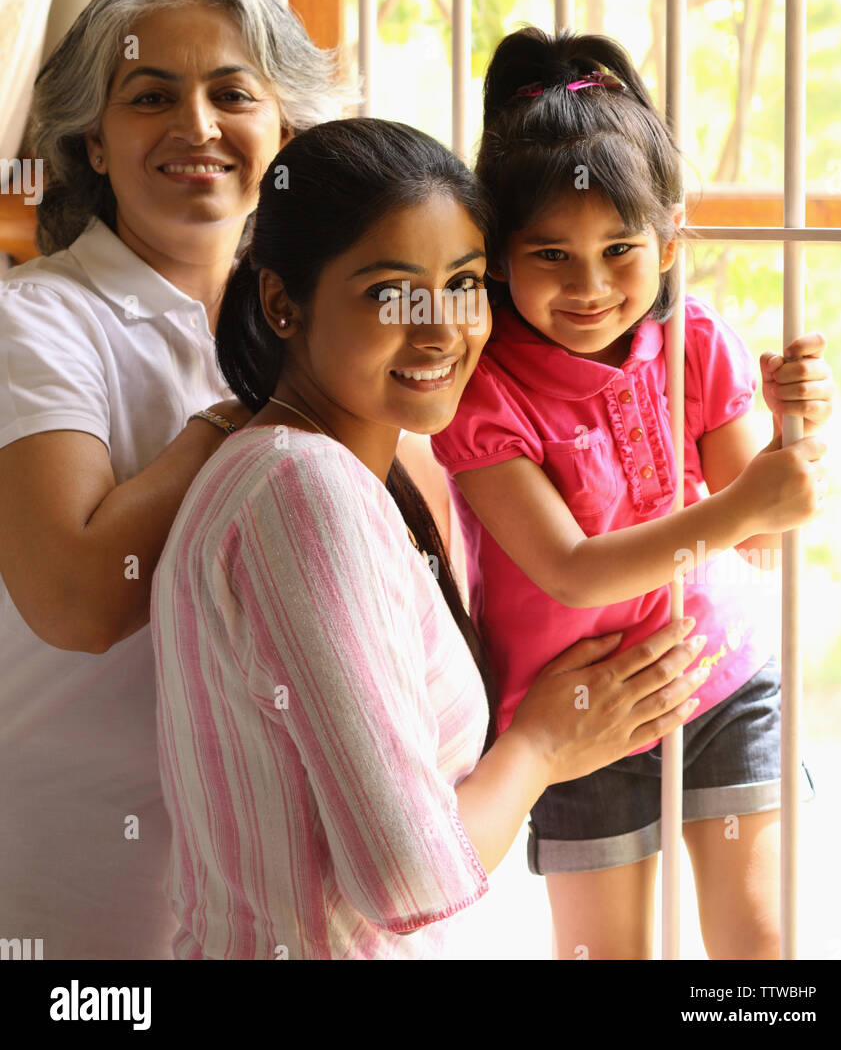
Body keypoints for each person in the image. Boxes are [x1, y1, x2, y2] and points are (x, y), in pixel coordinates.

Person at [150, 117, 710, 960]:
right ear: (281, 302)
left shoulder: (327, 476)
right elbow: (407, 880)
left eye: (465, 283)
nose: (444, 328)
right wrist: (544, 745)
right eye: (391, 292)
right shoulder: (303, 491)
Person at [430, 28, 833, 961]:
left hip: (722, 675)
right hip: (578, 715)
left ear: (669, 239)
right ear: (497, 256)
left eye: (620, 249)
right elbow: (570, 573)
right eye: (551, 256)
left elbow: (760, 531)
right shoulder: (486, 389)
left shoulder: (693, 338)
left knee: (761, 947)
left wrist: (794, 432)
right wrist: (745, 507)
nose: (591, 286)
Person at [0, 0, 343, 959]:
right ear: (95, 143)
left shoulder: (324, 325)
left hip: (282, 879)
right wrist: (237, 417)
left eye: (231, 92)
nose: (195, 126)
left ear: (282, 129)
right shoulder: (36, 320)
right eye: (151, 95)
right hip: (76, 888)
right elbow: (74, 596)